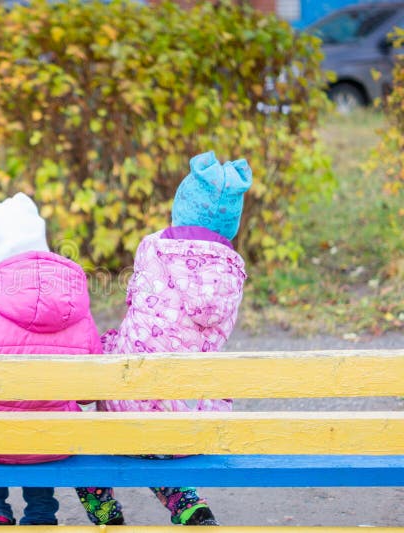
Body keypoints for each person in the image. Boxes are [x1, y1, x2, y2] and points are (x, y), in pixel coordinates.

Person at [81, 151, 252, 527]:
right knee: (160, 425)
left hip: (134, 409)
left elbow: (133, 307)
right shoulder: (234, 272)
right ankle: (185, 501)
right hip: (196, 417)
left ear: (182, 208)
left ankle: (98, 497)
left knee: (105, 385)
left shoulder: (153, 247)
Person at [0, 192, 123, 526]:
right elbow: (88, 393)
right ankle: (41, 512)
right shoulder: (77, 309)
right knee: (43, 422)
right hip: (54, 441)